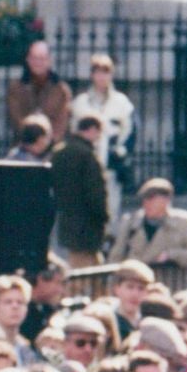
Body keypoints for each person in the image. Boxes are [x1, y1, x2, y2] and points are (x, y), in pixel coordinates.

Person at [106, 178, 187, 272]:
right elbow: (115, 258)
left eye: (151, 198)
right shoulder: (131, 222)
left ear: (166, 200)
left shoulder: (183, 222)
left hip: (169, 284)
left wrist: (171, 255)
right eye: (144, 198)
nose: (146, 203)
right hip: (137, 285)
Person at [52, 113, 112, 266]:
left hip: (68, 216)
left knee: (87, 263)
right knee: (84, 267)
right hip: (88, 221)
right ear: (92, 129)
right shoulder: (87, 155)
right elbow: (96, 192)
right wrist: (104, 216)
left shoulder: (59, 152)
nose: (98, 138)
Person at [6, 39, 71, 142]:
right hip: (23, 145)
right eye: (34, 58)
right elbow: (15, 119)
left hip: (51, 148)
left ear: (49, 61)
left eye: (42, 58)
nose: (38, 62)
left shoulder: (61, 90)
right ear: (28, 59)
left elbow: (62, 123)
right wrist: (31, 141)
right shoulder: (15, 88)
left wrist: (46, 142)